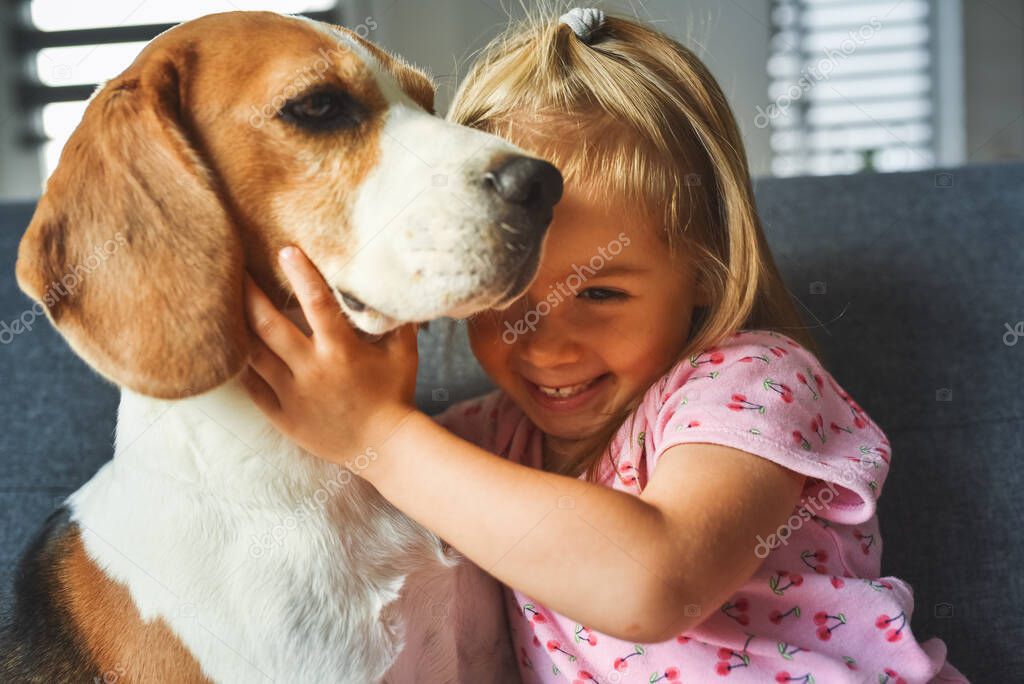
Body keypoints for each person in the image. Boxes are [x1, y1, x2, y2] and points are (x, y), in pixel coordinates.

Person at [241, 8, 969, 683]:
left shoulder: (753, 383)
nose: (546, 346)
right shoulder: (486, 440)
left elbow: (655, 581)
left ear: (705, 275)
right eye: (509, 298)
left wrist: (381, 436)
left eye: (598, 293)